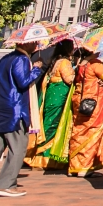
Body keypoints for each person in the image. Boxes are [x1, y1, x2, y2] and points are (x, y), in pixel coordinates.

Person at [0, 38, 44, 197]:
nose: (37, 45)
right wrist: (36, 69)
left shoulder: (7, 58)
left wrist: (1, 92)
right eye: (34, 42)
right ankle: (6, 184)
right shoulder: (21, 59)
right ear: (24, 43)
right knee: (17, 148)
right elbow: (23, 82)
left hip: (3, 108)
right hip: (16, 109)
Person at [27, 39, 75, 170]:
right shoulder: (64, 62)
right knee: (53, 124)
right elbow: (69, 79)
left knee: (48, 122)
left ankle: (41, 157)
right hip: (59, 97)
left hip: (53, 95)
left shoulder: (55, 61)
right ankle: (45, 158)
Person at [67, 49, 103, 178]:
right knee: (91, 133)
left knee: (77, 132)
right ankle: (85, 167)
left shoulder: (80, 65)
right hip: (93, 104)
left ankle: (73, 167)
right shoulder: (96, 65)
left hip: (78, 101)